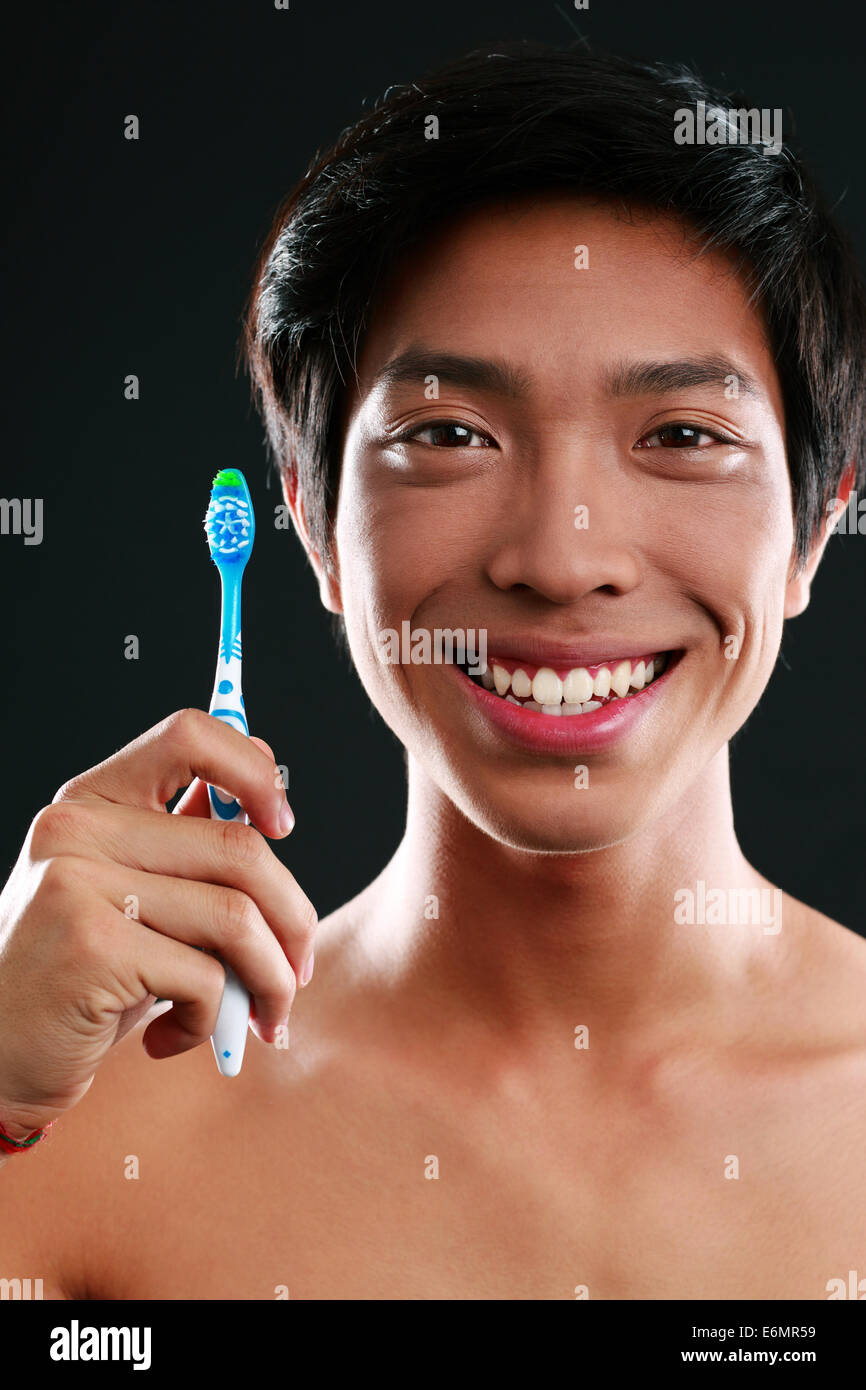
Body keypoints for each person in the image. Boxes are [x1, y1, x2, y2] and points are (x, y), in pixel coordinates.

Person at [1, 41, 864, 1301]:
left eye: (681, 434)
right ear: (311, 526)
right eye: (448, 434)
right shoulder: (72, 1132)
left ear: (812, 529)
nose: (562, 559)